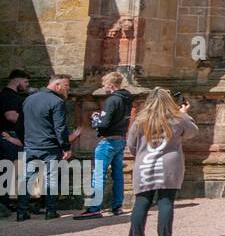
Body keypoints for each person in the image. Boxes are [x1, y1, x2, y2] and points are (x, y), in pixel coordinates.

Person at [125, 88, 197, 236]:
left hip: (145, 164)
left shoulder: (140, 121)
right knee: (165, 201)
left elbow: (131, 144)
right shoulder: (177, 119)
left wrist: (141, 155)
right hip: (169, 165)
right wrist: (184, 113)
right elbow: (192, 132)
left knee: (142, 202)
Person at [74, 72, 136, 219]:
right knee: (118, 174)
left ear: (111, 85)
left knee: (98, 174)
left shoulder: (112, 100)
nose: (103, 87)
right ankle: (117, 206)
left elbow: (104, 123)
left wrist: (95, 119)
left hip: (108, 140)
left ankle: (94, 207)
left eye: (104, 84)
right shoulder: (127, 99)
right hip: (120, 138)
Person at [16, 74, 73, 221]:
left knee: (26, 178)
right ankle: (50, 211)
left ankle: (21, 212)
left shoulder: (28, 99)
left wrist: (25, 141)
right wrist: (66, 147)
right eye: (66, 86)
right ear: (57, 85)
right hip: (50, 147)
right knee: (51, 179)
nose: (68, 89)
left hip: (30, 145)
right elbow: (60, 127)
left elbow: (19, 124)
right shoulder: (57, 102)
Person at [0, 70, 28, 215]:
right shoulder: (9, 96)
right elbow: (11, 116)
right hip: (9, 137)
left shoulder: (7, 95)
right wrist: (29, 124)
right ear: (17, 81)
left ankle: (7, 202)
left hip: (8, 136)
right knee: (9, 170)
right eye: (25, 82)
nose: (26, 85)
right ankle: (5, 203)